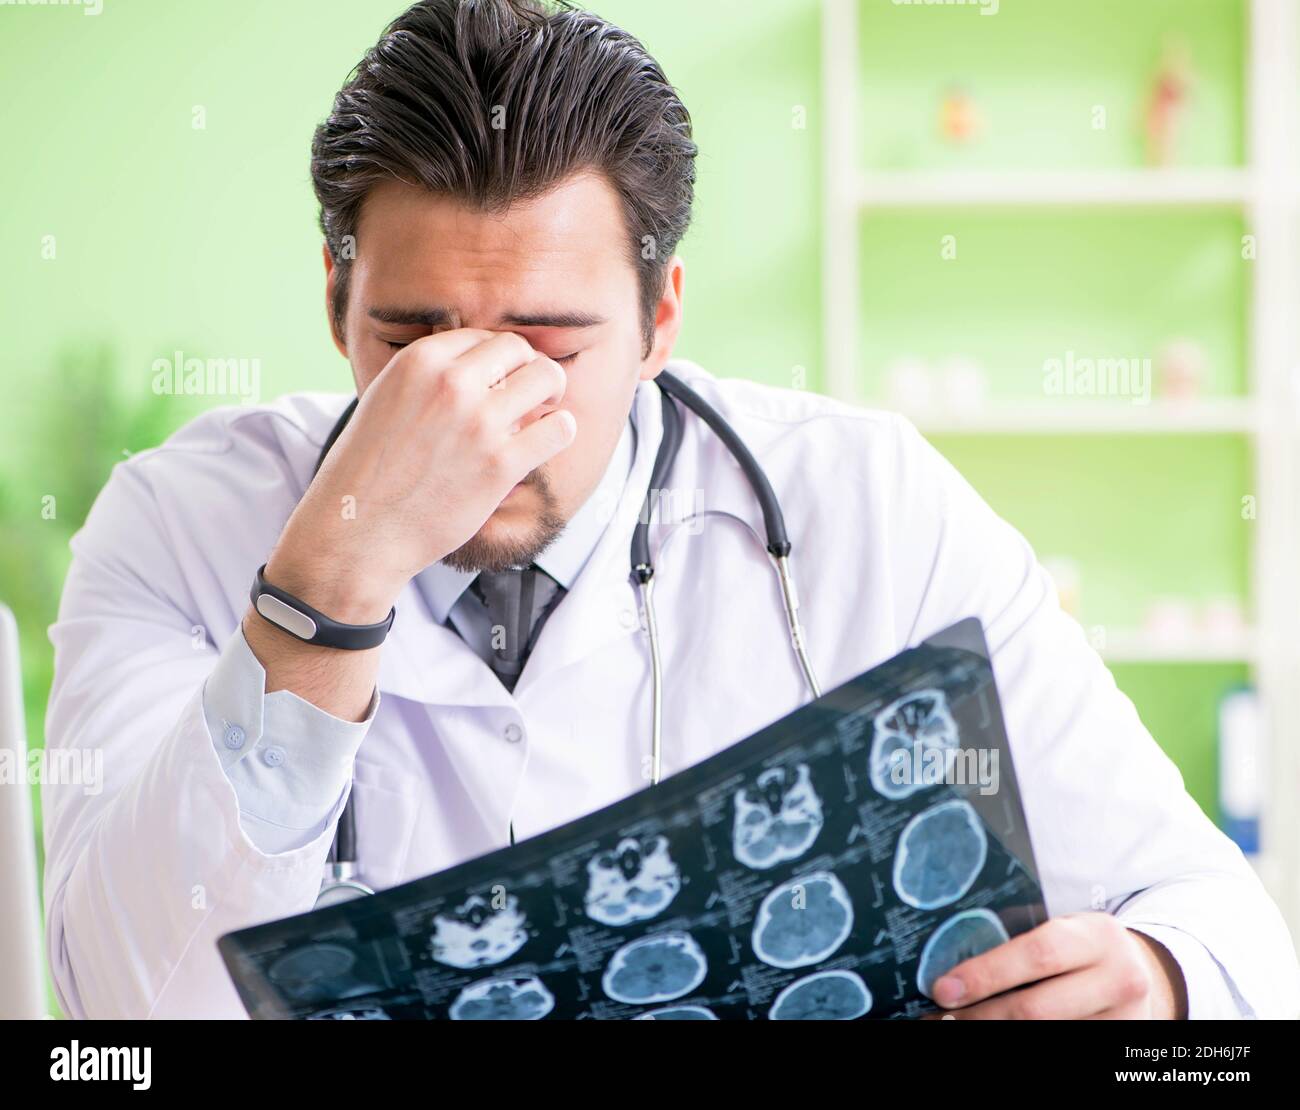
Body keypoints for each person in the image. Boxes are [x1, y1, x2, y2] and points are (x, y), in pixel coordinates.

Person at [43, 0, 1299, 1020]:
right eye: (414, 341)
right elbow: (114, 1009)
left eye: (546, 344)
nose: (476, 414)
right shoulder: (178, 526)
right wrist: (328, 576)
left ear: (661, 318)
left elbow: (1224, 927)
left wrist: (1160, 983)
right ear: (334, 305)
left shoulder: (873, 506)